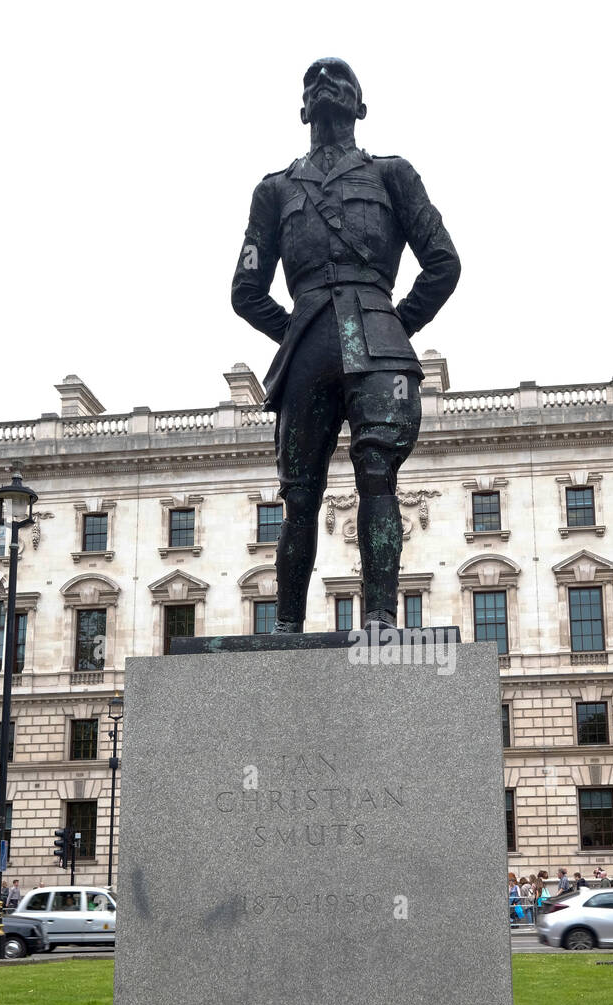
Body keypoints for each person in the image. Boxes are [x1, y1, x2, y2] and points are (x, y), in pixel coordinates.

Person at [231, 57, 460, 632]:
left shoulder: (393, 175)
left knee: (378, 475)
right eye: (313, 83)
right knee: (299, 492)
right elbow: (245, 289)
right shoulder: (274, 189)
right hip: (308, 339)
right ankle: (286, 625)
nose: (324, 84)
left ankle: (381, 615)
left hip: (378, 338)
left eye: (340, 81)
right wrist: (297, 332)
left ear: (360, 106)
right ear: (303, 108)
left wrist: (395, 322)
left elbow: (443, 262)